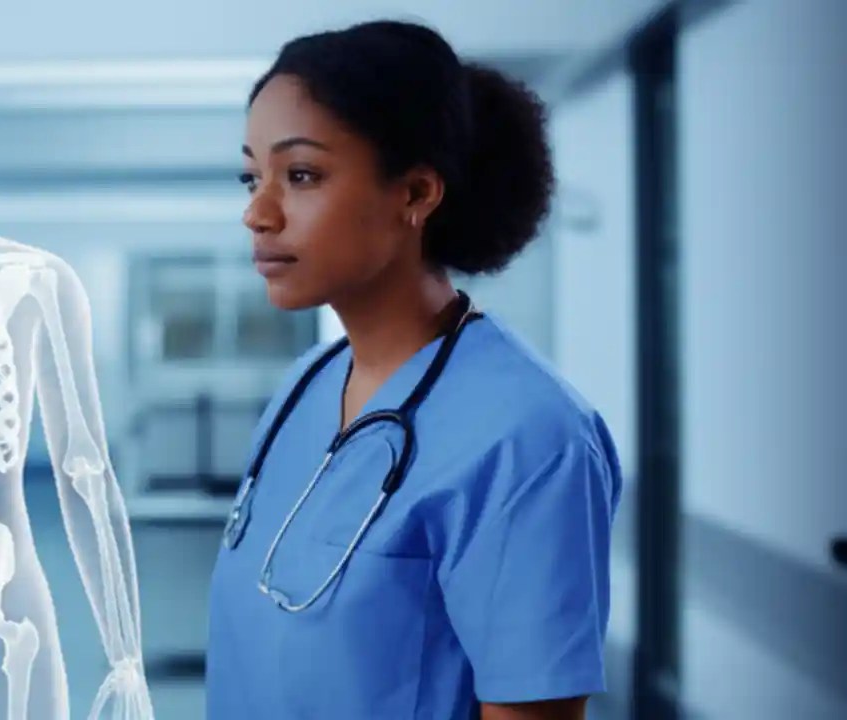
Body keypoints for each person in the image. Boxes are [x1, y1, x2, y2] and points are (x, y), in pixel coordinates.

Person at [206, 19, 622, 719]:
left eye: (301, 174)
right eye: (253, 176)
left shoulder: (527, 438)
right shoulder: (302, 389)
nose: (258, 212)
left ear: (416, 194)